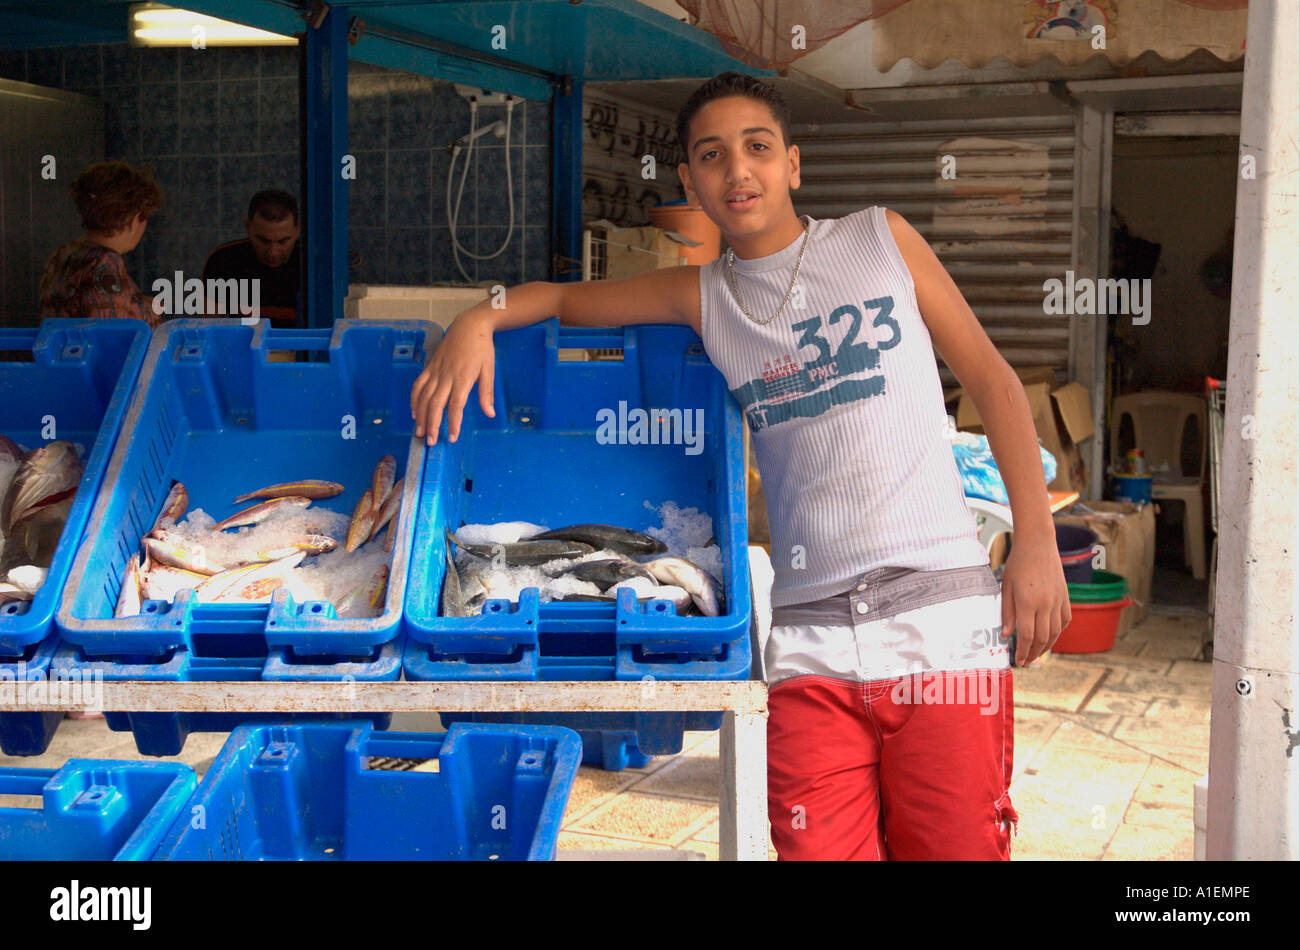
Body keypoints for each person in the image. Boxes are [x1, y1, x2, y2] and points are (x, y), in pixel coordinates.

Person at [409, 72, 1070, 861]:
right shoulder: (702, 297)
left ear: (792, 164)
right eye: (712, 156)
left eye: (757, 148)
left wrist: (1036, 544)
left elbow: (995, 382)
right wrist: (476, 320)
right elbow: (560, 300)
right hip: (813, 638)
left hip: (940, 623)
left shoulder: (878, 239)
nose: (738, 171)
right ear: (689, 181)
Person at [39, 161, 163, 328]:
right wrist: (151, 312)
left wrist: (141, 303)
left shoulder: (63, 254)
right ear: (134, 219)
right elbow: (113, 332)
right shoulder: (104, 262)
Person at [202, 190, 302, 327]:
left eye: (283, 242)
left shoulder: (313, 265)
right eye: (263, 241)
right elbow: (209, 330)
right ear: (248, 228)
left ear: (297, 232)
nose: (273, 253)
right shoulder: (223, 262)